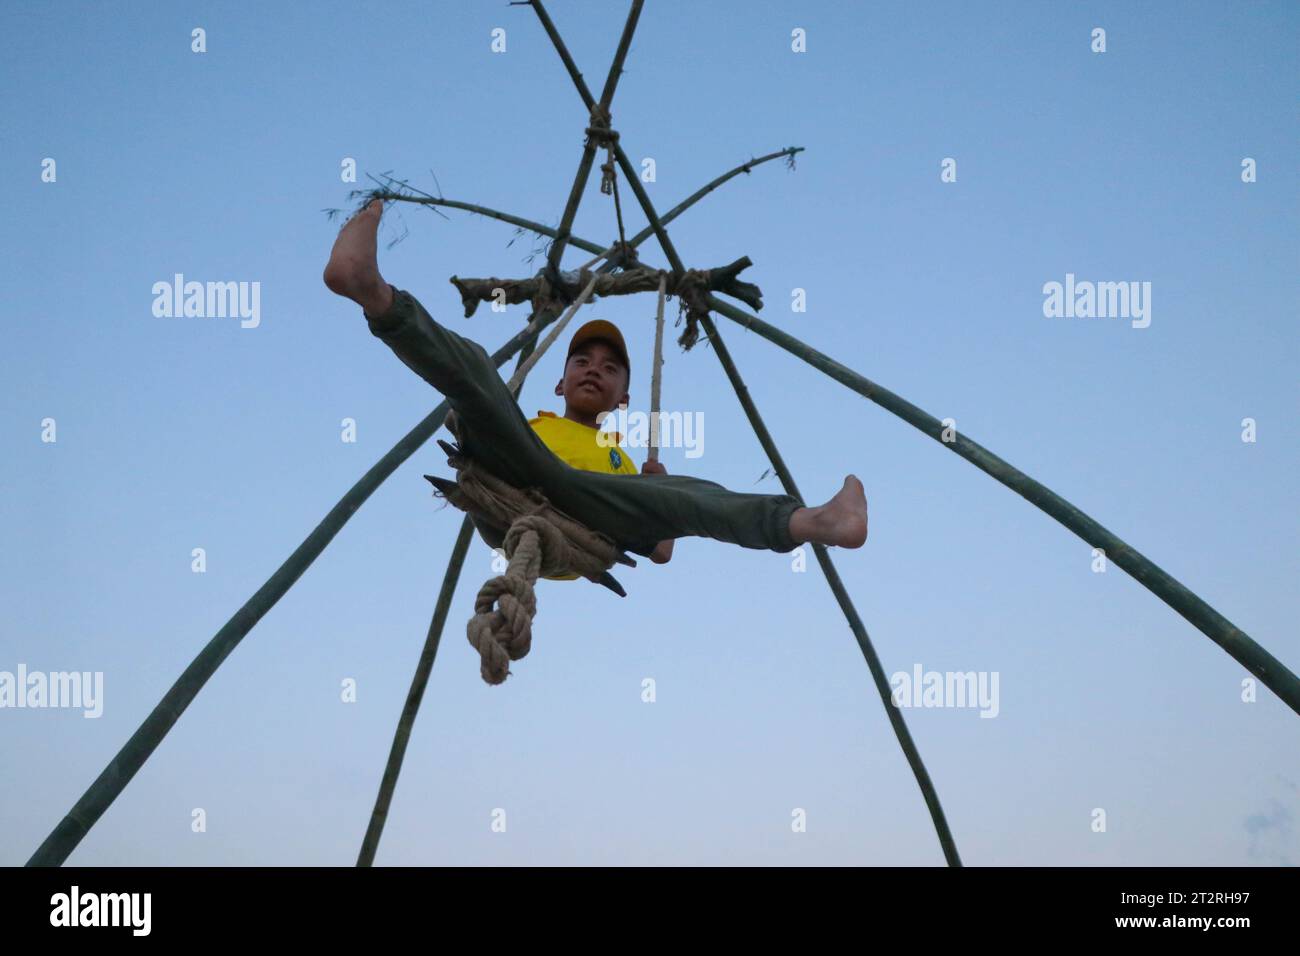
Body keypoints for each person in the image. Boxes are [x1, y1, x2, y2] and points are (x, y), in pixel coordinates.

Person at [323, 200, 867, 574]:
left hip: (588, 514)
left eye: (610, 368)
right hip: (518, 477)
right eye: (581, 360)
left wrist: (658, 492)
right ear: (558, 384)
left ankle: (810, 521)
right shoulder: (534, 426)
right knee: (479, 374)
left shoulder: (620, 464)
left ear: (624, 398)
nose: (593, 370)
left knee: (690, 493)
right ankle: (374, 294)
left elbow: (658, 550)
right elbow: (493, 424)